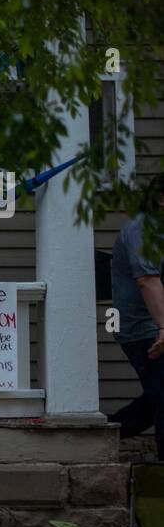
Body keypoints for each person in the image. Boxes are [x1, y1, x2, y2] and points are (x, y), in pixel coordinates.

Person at [109, 180, 164, 458]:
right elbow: (147, 281)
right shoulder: (141, 230)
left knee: (156, 395)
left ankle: (106, 434)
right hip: (141, 329)